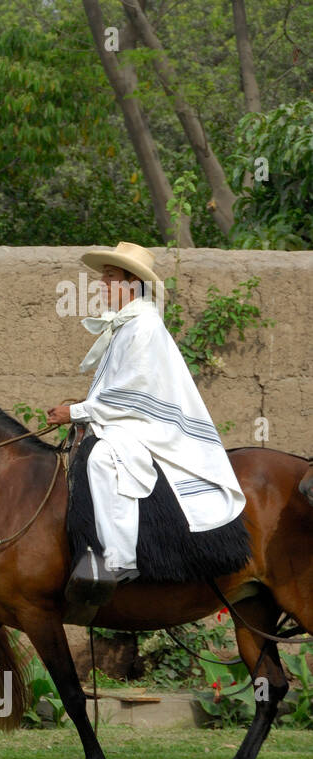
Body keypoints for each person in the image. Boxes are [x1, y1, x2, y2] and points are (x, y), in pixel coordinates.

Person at [46, 242, 245, 602]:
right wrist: (82, 406)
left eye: (109, 277)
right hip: (129, 418)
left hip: (153, 424)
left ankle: (120, 559)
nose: (101, 285)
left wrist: (75, 413)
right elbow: (116, 390)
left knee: (104, 457)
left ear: (131, 284)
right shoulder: (127, 326)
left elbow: (132, 394)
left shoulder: (145, 326)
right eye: (103, 278)